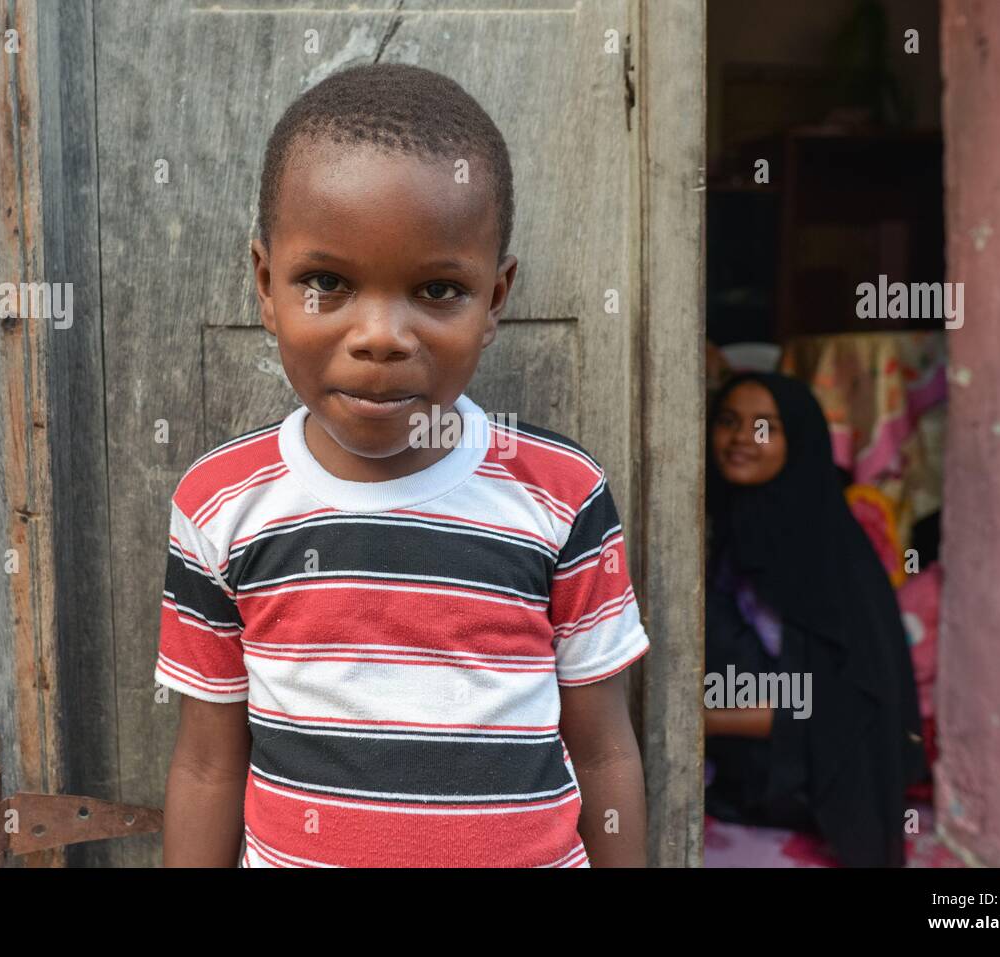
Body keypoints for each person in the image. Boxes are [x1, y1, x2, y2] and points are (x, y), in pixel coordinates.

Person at [154, 64, 650, 867]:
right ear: (264, 285)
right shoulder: (220, 504)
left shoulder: (560, 495)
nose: (381, 335)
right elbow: (209, 761)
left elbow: (603, 751)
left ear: (495, 299)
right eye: (326, 283)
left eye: (437, 289)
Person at [703, 371, 927, 867]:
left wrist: (697, 719)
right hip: (733, 780)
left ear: (797, 441)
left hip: (816, 784)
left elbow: (838, 710)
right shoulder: (719, 527)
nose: (742, 438)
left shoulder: (827, 554)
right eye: (728, 421)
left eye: (765, 427)